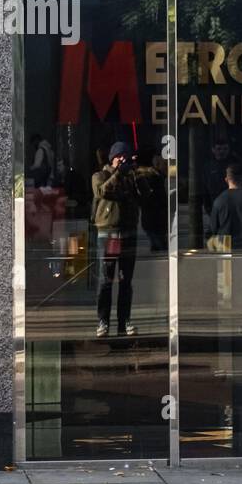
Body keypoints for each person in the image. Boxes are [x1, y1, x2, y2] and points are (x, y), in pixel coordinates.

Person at [91, 141, 142, 338]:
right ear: (112, 158)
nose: (122, 159)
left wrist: (135, 173)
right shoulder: (100, 175)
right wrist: (119, 173)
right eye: (119, 156)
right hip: (109, 234)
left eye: (125, 156)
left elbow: (145, 195)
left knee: (126, 281)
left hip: (128, 234)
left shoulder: (130, 176)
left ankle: (125, 320)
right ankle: (103, 321)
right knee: (106, 280)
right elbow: (102, 191)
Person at [210, 163, 242, 251]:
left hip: (225, 247)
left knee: (225, 265)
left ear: (226, 180)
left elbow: (213, 228)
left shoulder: (219, 200)